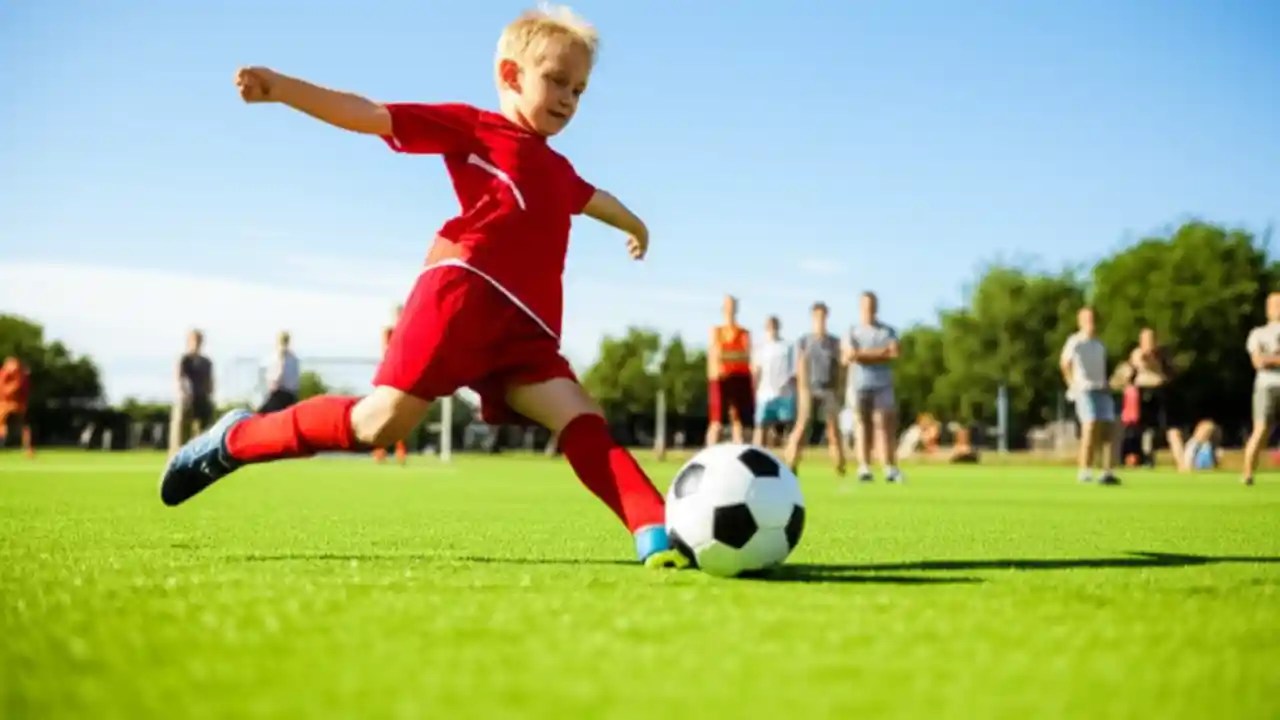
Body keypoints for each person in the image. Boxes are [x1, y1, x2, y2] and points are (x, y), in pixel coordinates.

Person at [159, 6, 687, 569]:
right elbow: (370, 114)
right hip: (462, 297)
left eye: (578, 90)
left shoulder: (558, 170)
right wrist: (283, 88)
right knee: (377, 425)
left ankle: (654, 529)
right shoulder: (476, 128)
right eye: (555, 80)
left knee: (581, 417)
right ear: (511, 76)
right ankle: (237, 439)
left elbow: (594, 199)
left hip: (525, 331)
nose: (567, 98)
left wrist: (636, 224)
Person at [843, 291, 903, 483]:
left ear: (876, 307)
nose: (869, 308)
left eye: (872, 305)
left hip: (882, 385)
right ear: (861, 307)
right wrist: (879, 353)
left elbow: (894, 354)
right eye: (865, 305)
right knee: (861, 425)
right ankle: (864, 467)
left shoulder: (888, 331)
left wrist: (863, 354)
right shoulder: (852, 330)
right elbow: (849, 355)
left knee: (883, 425)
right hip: (859, 384)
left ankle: (889, 467)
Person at [1059, 307, 1120, 485]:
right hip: (1084, 389)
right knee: (1090, 426)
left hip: (1101, 389)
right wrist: (1072, 384)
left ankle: (1106, 471)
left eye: (1093, 319)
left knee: (1108, 430)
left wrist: (1107, 384)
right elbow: (1064, 363)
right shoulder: (1075, 341)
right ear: (1080, 322)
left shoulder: (1099, 344)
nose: (1090, 323)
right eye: (1087, 319)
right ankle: (1084, 470)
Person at [784, 302, 845, 476]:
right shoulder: (804, 341)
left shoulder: (834, 342)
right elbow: (800, 366)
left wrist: (838, 390)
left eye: (823, 316)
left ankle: (839, 467)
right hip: (808, 388)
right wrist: (804, 390)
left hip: (829, 390)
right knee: (802, 426)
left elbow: (839, 368)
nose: (820, 320)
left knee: (833, 430)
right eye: (817, 316)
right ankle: (791, 463)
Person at [1128, 327, 1182, 467]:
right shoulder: (1138, 353)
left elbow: (1172, 371)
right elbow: (1140, 362)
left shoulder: (1163, 356)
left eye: (1152, 339)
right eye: (1146, 340)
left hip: (1161, 391)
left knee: (1171, 427)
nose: (1149, 343)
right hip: (1143, 391)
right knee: (1142, 429)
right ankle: (1143, 459)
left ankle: (1182, 462)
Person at [1241, 291, 1280, 486]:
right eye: (1275, 305)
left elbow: (1266, 360)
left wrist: (1270, 359)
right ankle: (1247, 473)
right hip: (1266, 386)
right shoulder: (1258, 334)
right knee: (1261, 429)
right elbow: (1258, 361)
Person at [706, 295, 753, 446]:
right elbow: (715, 354)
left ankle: (740, 454)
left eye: (732, 305)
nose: (730, 309)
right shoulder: (717, 331)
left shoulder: (743, 332)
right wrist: (729, 356)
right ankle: (708, 454)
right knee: (716, 422)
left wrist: (727, 355)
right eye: (727, 305)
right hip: (720, 379)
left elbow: (746, 355)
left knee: (738, 420)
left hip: (740, 377)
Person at [169, 329, 215, 456]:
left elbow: (210, 381)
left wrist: (210, 393)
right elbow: (179, 378)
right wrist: (183, 393)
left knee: (204, 432)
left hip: (202, 399)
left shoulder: (206, 362)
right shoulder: (184, 359)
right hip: (186, 401)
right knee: (181, 435)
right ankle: (177, 458)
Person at [751, 315, 794, 448]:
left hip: (783, 395)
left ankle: (783, 460)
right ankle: (756, 457)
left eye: (775, 326)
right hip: (764, 394)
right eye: (769, 326)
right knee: (761, 427)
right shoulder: (760, 347)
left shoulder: (787, 347)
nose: (772, 329)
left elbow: (792, 370)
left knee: (782, 430)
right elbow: (756, 370)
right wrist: (754, 390)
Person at [373, 306, 409, 466]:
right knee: (383, 414)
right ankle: (379, 450)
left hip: (403, 376)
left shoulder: (409, 329)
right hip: (389, 376)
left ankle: (400, 451)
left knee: (400, 414)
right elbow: (385, 352)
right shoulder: (389, 331)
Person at [258, 331, 301, 413]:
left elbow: (277, 376)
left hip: (279, 396)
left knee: (260, 415)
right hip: (292, 397)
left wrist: (272, 385)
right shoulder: (294, 358)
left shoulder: (280, 355)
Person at [0, 356, 34, 457]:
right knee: (5, 425)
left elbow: (25, 391)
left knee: (23, 426)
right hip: (7, 405)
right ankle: (3, 441)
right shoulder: (10, 376)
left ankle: (28, 448)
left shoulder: (21, 377)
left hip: (15, 405)